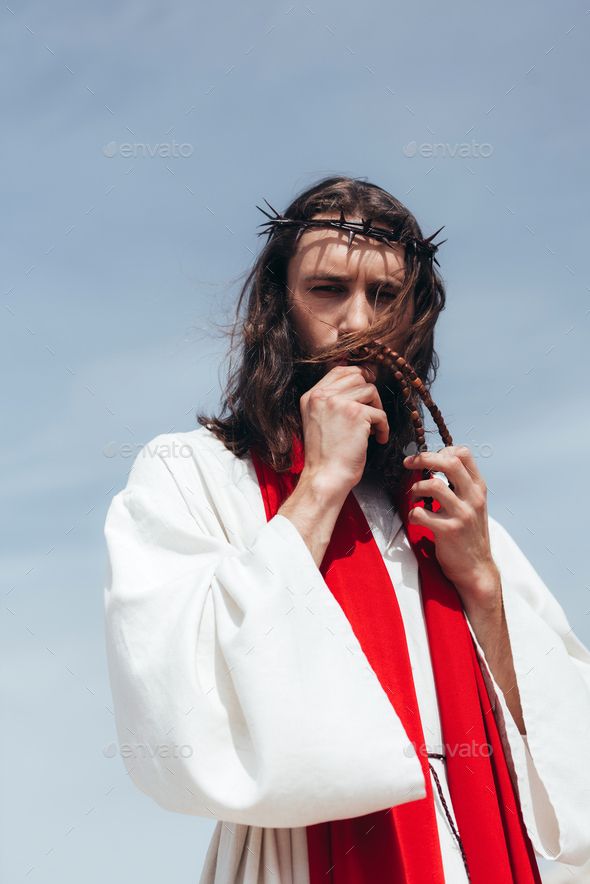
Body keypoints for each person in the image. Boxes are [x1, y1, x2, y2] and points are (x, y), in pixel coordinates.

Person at [103, 177, 590, 884]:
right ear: (275, 308)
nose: (358, 321)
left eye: (385, 296)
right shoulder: (195, 474)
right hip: (305, 855)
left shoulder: (438, 504)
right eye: (328, 289)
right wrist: (319, 486)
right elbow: (176, 694)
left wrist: (483, 585)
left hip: (472, 842)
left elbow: (563, 734)